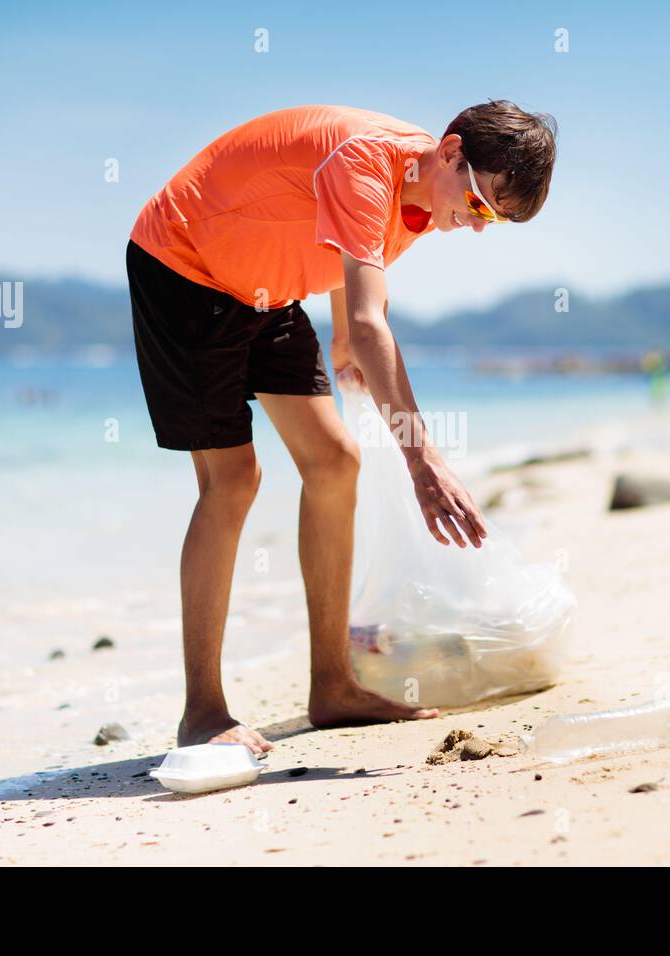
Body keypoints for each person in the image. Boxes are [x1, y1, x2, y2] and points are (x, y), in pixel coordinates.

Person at [126, 101, 557, 753]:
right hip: (184, 267)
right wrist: (423, 463)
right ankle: (203, 713)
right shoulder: (366, 164)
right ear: (449, 153)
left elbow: (353, 275)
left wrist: (344, 338)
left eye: (493, 221)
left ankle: (333, 686)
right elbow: (370, 315)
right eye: (481, 203)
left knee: (335, 461)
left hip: (266, 290)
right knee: (233, 480)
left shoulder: (422, 197)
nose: (476, 224)